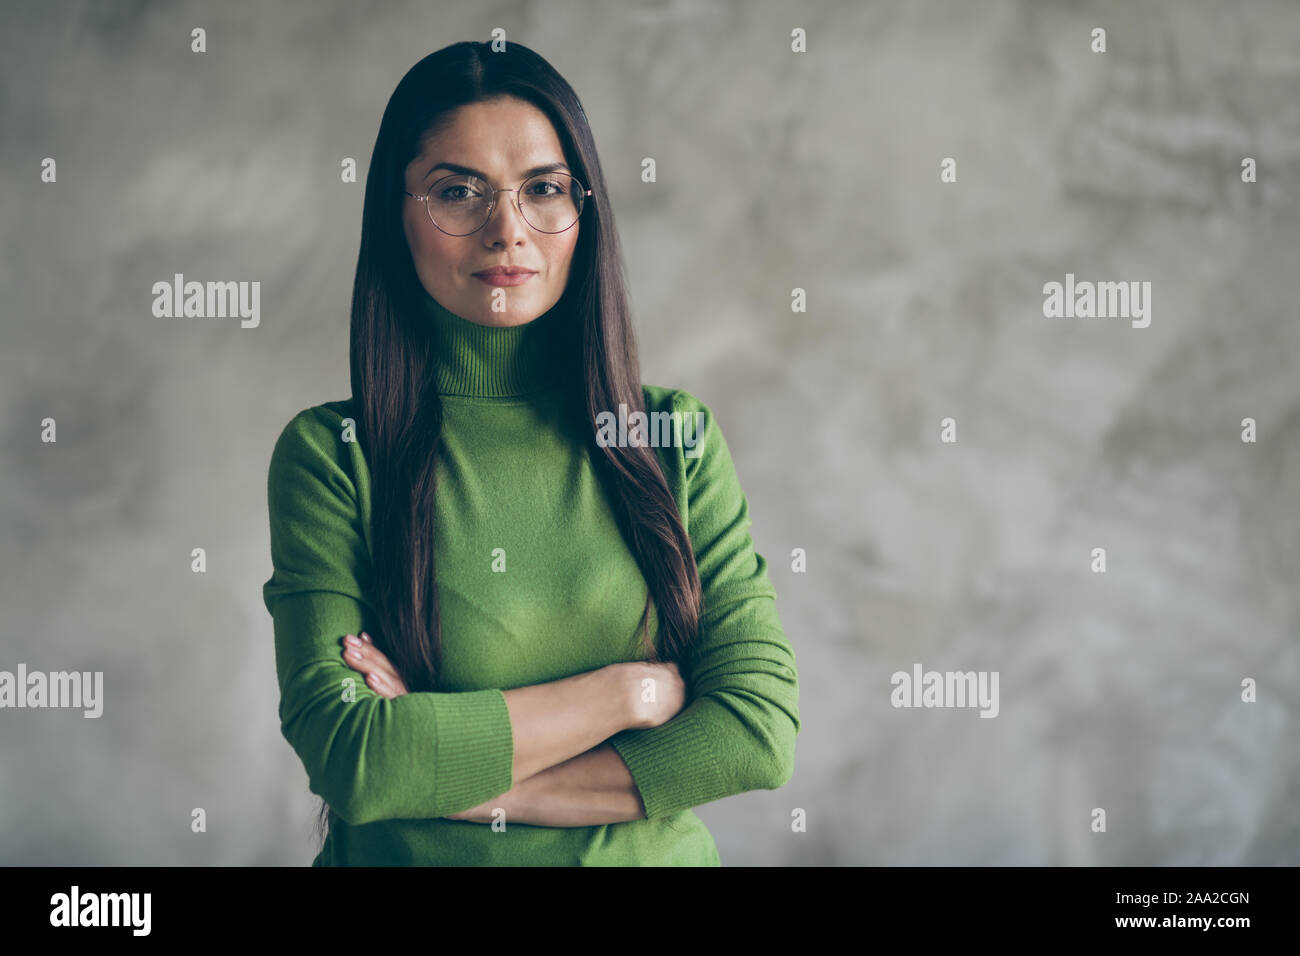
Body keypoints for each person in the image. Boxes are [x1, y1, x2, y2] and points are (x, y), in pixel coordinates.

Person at [261, 40, 800, 865]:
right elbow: (357, 758)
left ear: (584, 211)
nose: (506, 231)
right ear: (395, 215)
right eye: (457, 192)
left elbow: (754, 731)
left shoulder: (672, 441)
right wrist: (632, 691)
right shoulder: (334, 456)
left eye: (543, 189)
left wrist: (478, 787)